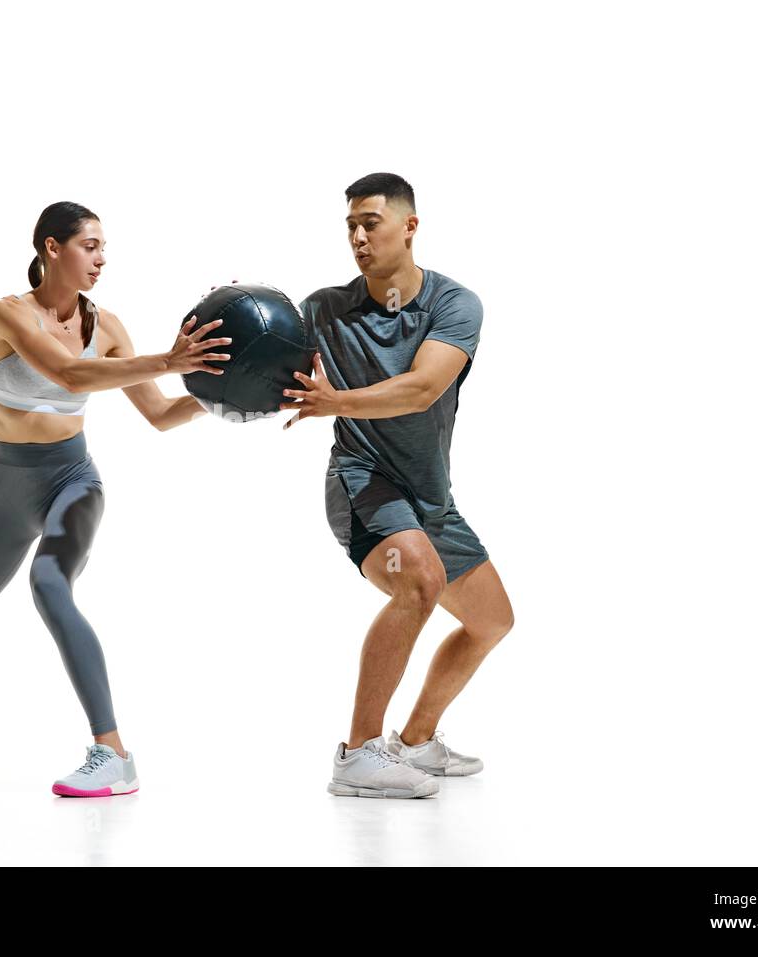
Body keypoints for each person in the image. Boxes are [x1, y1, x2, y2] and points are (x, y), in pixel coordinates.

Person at [0, 201, 231, 796]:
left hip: (72, 483)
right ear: (51, 248)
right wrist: (169, 359)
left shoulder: (110, 327)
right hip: (4, 495)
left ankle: (113, 754)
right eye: (89, 246)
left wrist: (229, 397)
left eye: (103, 248)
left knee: (49, 585)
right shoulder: (8, 314)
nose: (100, 259)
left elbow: (160, 413)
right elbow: (69, 375)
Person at [282, 173, 516, 799]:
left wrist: (336, 400)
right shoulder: (323, 309)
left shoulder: (453, 303)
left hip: (429, 495)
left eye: (370, 223)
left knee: (491, 622)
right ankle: (357, 755)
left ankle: (415, 741)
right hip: (363, 483)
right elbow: (266, 373)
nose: (358, 236)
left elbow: (422, 388)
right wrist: (211, 355)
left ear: (410, 226)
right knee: (420, 581)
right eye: (350, 226)